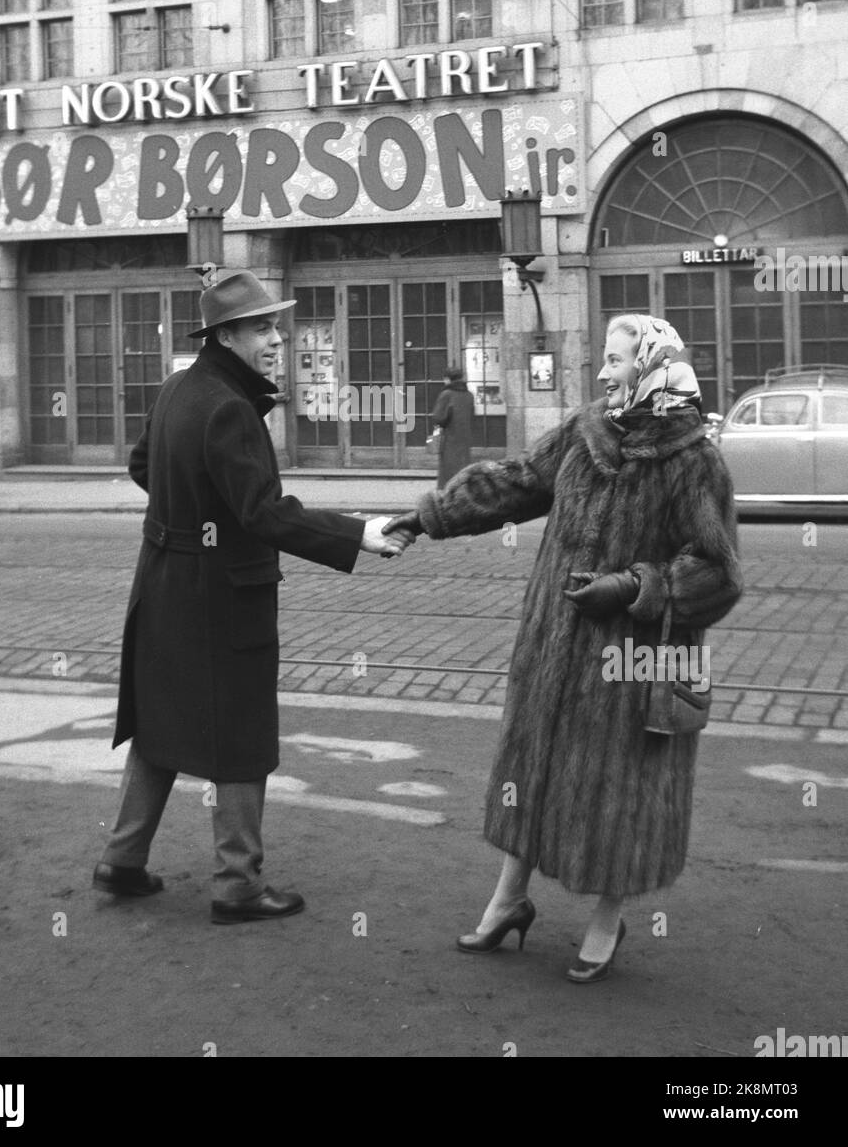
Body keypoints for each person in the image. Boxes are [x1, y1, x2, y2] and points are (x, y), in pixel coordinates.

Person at [386, 315, 742, 981]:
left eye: (615, 361)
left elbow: (719, 572)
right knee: (536, 768)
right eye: (603, 360)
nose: (603, 373)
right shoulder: (586, 434)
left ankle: (607, 917)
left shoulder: (695, 460)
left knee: (622, 786)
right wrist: (428, 516)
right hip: (555, 648)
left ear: (652, 366)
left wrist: (634, 587)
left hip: (632, 662)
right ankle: (507, 899)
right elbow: (516, 482)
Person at [94, 271, 412, 924]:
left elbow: (141, 467)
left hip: (160, 584)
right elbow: (263, 513)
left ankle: (121, 862)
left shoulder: (179, 388)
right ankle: (236, 884)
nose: (277, 337)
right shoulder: (230, 407)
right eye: (263, 327)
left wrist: (187, 515)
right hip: (222, 596)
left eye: (275, 325)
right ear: (227, 335)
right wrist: (360, 533)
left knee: (160, 723)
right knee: (239, 732)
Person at [429, 365, 475, 489]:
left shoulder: (446, 394)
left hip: (449, 437)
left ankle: (447, 495)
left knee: (447, 470)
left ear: (448, 379)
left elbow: (438, 417)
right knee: (463, 467)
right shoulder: (469, 395)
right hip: (465, 437)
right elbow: (472, 415)